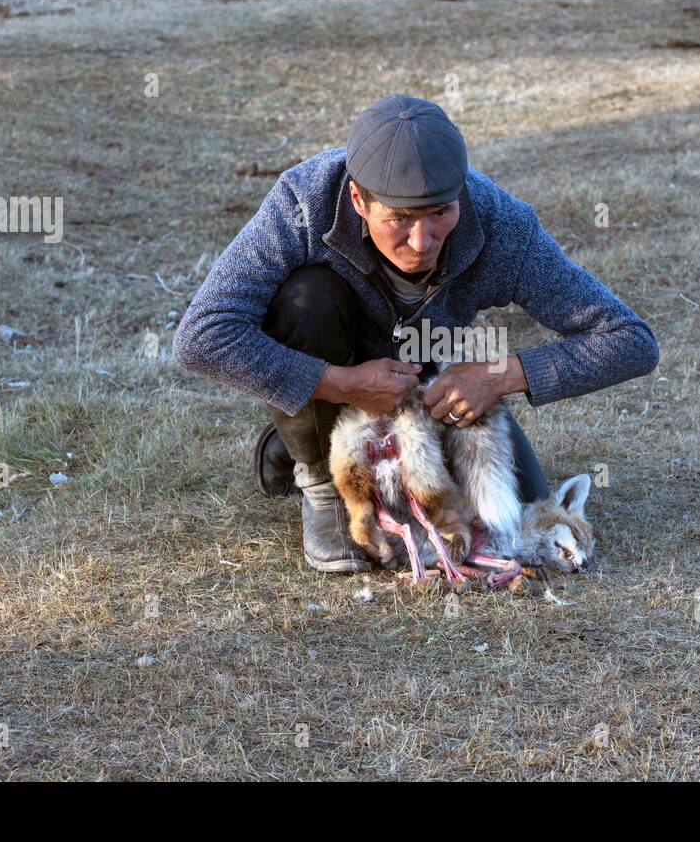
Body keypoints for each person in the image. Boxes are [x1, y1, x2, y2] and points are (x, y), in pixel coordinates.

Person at [174, 94, 659, 572]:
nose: (421, 243)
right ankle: (321, 480)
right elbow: (202, 335)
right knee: (306, 299)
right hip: (331, 359)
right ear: (359, 200)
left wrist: (500, 375)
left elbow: (630, 339)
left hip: (426, 383)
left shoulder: (502, 223)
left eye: (440, 215)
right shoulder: (303, 202)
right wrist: (342, 384)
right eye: (399, 219)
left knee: (511, 512)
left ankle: (312, 438)